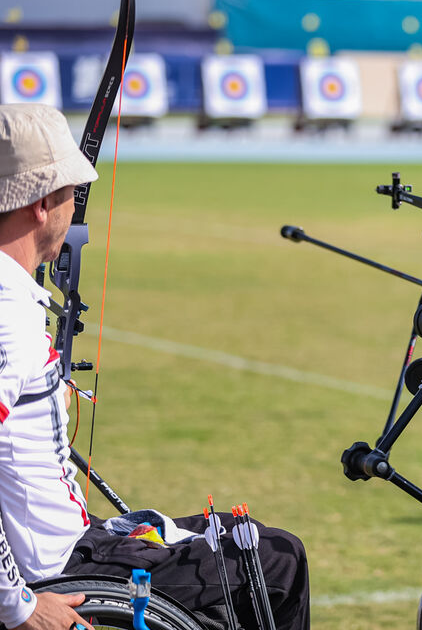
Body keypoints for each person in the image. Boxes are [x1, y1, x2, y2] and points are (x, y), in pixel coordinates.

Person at [0, 104, 309, 630]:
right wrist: (19, 604)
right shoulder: (8, 318)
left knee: (244, 540)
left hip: (70, 540)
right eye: (70, 194)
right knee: (277, 560)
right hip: (61, 566)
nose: (74, 209)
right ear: (43, 202)